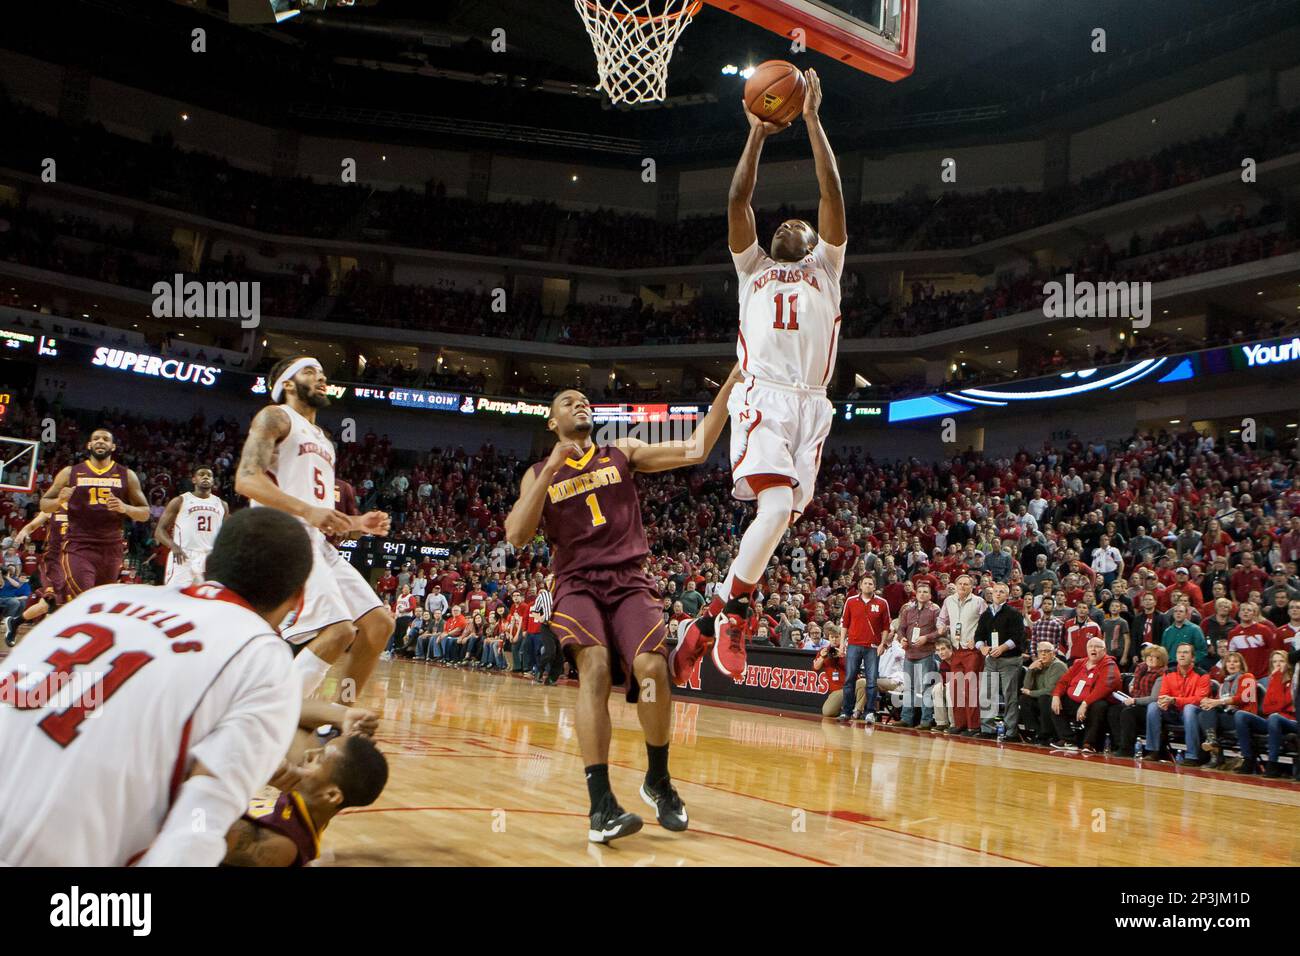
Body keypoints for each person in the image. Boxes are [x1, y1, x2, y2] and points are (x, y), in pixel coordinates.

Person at [505, 370, 741, 845]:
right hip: (577, 584)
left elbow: (695, 449)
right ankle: (601, 806)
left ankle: (657, 780)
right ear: (552, 422)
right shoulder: (538, 474)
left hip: (629, 579)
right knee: (592, 668)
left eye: (584, 400)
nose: (580, 404)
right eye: (568, 401)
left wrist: (731, 385)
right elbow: (515, 534)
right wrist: (550, 469)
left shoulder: (622, 451)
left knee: (652, 669)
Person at [0, 508, 312, 866]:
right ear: (299, 598)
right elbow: (195, 829)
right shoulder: (262, 656)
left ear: (208, 564)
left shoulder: (98, 599)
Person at [675, 68, 845, 682]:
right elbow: (738, 202)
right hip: (763, 399)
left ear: (814, 239)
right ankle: (734, 615)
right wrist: (756, 135)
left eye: (796, 225)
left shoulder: (826, 267)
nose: (786, 226)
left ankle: (707, 618)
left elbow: (832, 198)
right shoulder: (752, 268)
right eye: (781, 226)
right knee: (773, 511)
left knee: (777, 521)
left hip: (813, 407)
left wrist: (812, 121)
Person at [235, 356, 395, 699]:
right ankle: (270, 714)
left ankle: (341, 708)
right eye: (310, 372)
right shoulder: (275, 416)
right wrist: (308, 511)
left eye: (323, 373)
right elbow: (246, 480)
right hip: (282, 535)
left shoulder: (323, 438)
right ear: (287, 384)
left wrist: (356, 523)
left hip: (315, 539)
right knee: (338, 631)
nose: (321, 378)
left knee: (379, 624)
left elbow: (317, 507)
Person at [222, 700, 388, 866]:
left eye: (320, 758)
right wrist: (342, 716)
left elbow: (199, 832)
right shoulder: (302, 796)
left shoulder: (283, 847)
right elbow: (284, 710)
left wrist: (242, 773)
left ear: (331, 795)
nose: (309, 752)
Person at [40, 428, 151, 596]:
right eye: (96, 438)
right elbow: (44, 504)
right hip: (79, 545)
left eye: (105, 439)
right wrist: (59, 501)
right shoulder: (70, 473)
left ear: (113, 446)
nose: (101, 441)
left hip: (111, 547)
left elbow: (145, 513)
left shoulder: (127, 475)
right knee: (83, 596)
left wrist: (125, 508)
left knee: (99, 601)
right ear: (89, 445)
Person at [155, 466, 228, 589]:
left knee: (207, 599)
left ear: (213, 481)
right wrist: (173, 546)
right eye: (202, 474)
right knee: (176, 596)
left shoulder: (222, 504)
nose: (206, 477)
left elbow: (226, 534)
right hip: (183, 554)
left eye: (209, 475)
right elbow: (159, 531)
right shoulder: (180, 500)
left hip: (210, 557)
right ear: (194, 480)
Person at [1049, 637, 1121, 752]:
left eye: (1097, 647)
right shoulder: (1079, 663)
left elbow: (1104, 687)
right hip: (1076, 700)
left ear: (1104, 650)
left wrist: (1085, 703)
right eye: (1091, 646)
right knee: (1054, 701)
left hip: (1094, 702)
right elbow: (1063, 681)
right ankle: (1068, 740)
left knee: (1099, 706)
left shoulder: (1109, 664)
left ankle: (1089, 743)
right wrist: (1056, 695)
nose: (1094, 649)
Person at [837, 574, 891, 723]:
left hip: (873, 646)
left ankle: (870, 712)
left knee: (872, 681)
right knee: (849, 679)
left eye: (871, 583)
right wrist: (842, 644)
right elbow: (844, 624)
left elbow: (886, 626)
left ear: (874, 586)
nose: (868, 585)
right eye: (865, 583)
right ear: (860, 585)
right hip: (853, 644)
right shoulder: (850, 601)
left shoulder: (882, 603)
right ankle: (846, 711)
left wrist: (882, 643)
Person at [1142, 643, 1211, 762]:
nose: (1182, 655)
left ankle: (1192, 756)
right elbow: (1163, 694)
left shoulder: (1202, 675)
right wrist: (1164, 702)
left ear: (1193, 657)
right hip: (1173, 712)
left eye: (1185, 652)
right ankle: (1153, 751)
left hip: (1194, 714)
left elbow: (1199, 699)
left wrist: (1174, 700)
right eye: (1179, 653)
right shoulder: (1169, 673)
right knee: (1153, 706)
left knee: (1189, 708)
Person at [975, 582, 1025, 739]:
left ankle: (1011, 732)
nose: (998, 594)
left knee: (1010, 696)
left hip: (1009, 660)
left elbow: (1018, 637)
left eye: (1002, 592)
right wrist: (981, 647)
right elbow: (978, 636)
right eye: (995, 591)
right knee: (987, 694)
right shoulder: (986, 614)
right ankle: (987, 729)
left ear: (1007, 595)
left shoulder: (1014, 613)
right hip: (991, 660)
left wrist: (1003, 647)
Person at [1232, 649, 1295, 776]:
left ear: (1288, 663)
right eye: (1275, 662)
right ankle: (1248, 759)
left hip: (1292, 722)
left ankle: (1272, 764)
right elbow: (1266, 708)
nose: (1278, 664)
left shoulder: (1294, 681)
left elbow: (1289, 706)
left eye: (1281, 661)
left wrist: (1278, 678)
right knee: (1240, 715)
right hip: (1272, 721)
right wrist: (1277, 680)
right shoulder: (1273, 681)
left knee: (1275, 717)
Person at [1195, 651, 1255, 769]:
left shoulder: (1248, 677)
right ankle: (1212, 742)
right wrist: (1208, 702)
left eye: (1235, 662)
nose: (1232, 664)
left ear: (1241, 664)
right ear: (1225, 665)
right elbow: (1217, 703)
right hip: (1228, 716)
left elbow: (1244, 698)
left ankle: (1214, 752)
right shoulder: (1224, 682)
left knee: (1207, 713)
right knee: (1205, 711)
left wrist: (1218, 702)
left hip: (1243, 717)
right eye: (1229, 662)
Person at [1107, 644, 1169, 757]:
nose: (1150, 658)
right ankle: (1118, 744)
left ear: (1161, 660)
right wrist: (1131, 686)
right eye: (1149, 655)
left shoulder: (1162, 675)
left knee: (1128, 713)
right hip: (1134, 701)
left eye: (1155, 657)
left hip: (1150, 708)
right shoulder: (1141, 668)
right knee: (1114, 711)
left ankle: (1127, 748)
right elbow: (1133, 683)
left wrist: (1135, 700)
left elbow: (1154, 698)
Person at [895, 580, 941, 728]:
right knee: (909, 687)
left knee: (926, 687)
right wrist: (901, 638)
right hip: (909, 653)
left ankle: (926, 720)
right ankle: (906, 718)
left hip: (926, 653)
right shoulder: (908, 609)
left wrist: (926, 638)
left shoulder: (935, 610)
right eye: (920, 591)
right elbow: (901, 628)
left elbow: (941, 631)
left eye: (925, 592)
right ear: (916, 592)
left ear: (930, 595)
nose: (922, 594)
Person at [1020, 641, 1068, 744]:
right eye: (1040, 652)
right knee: (1024, 699)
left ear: (1053, 653)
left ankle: (1047, 734)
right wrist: (1030, 670)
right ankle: (1035, 732)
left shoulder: (1058, 666)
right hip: (1041, 698)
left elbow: (1051, 690)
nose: (1043, 654)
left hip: (1057, 700)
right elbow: (1026, 687)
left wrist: (1031, 693)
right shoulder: (1037, 665)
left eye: (1047, 651)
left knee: (1044, 698)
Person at [813, 628, 865, 720]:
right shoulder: (824, 650)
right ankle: (844, 710)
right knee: (827, 712)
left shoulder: (849, 650)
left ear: (842, 637)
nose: (834, 639)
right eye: (832, 637)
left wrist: (843, 656)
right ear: (828, 637)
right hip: (837, 691)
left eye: (837, 637)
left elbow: (856, 669)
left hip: (851, 686)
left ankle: (857, 711)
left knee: (863, 682)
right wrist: (822, 656)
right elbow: (816, 668)